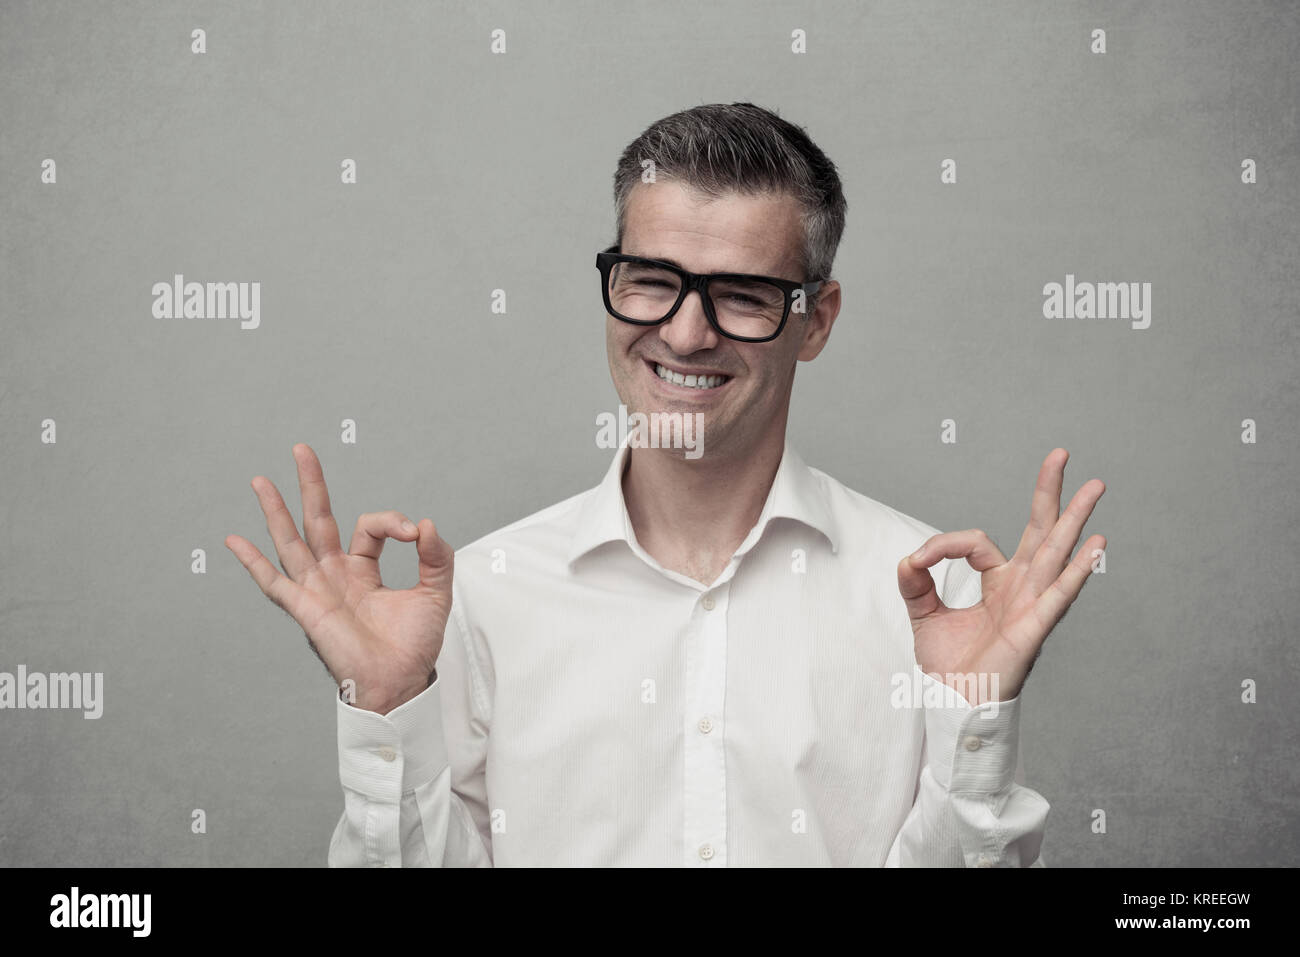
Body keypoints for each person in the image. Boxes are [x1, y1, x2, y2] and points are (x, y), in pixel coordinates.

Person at [226, 102, 1106, 866]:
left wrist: (974, 730)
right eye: (651, 282)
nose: (685, 335)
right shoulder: (477, 599)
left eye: (743, 295)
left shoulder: (935, 597)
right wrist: (386, 710)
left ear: (816, 320)